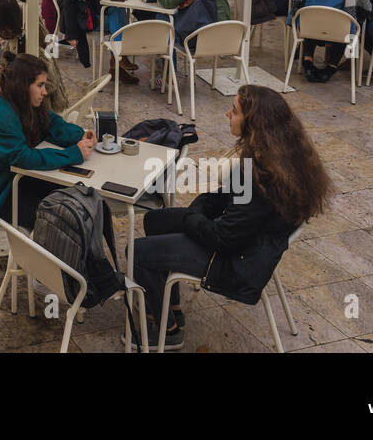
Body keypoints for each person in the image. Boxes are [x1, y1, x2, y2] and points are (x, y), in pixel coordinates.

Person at [132, 86, 332, 349]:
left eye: (234, 111)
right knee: (154, 220)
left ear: (254, 123)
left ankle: (167, 331)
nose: (227, 113)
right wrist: (198, 210)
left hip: (237, 260)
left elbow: (223, 238)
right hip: (246, 240)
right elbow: (222, 197)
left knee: (135, 252)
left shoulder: (261, 173)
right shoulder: (277, 154)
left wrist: (193, 218)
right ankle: (173, 304)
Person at [0, 54, 95, 240]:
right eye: (40, 85)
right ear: (22, 85)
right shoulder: (1, 114)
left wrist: (79, 135)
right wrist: (73, 153)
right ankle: (35, 255)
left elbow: (51, 122)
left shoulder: (19, 99)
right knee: (60, 211)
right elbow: (23, 158)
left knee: (69, 197)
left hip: (2, 177)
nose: (45, 92)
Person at [0, 0, 68, 113]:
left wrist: (12, 78)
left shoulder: (26, 47)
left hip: (41, 109)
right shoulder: (25, 26)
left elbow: (51, 83)